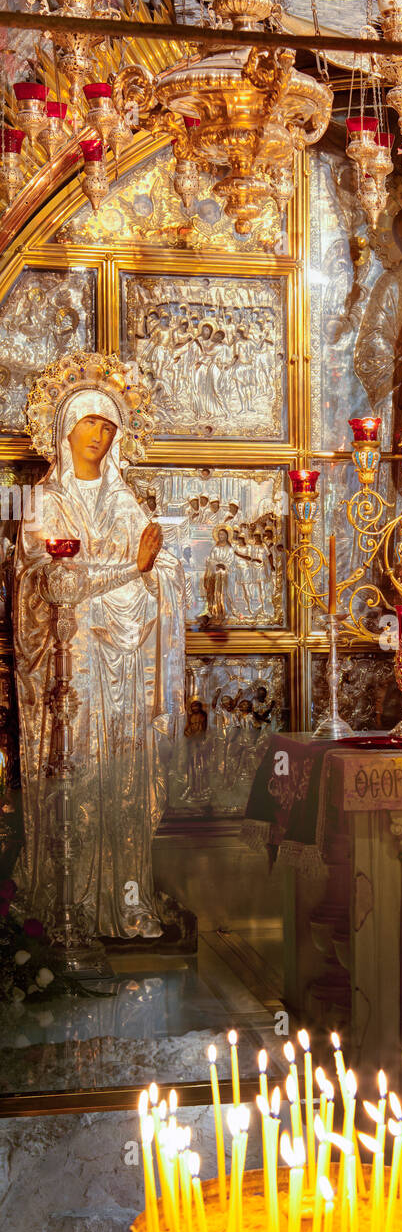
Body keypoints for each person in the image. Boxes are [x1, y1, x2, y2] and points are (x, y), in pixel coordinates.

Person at [14, 372, 186, 938]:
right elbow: (53, 586)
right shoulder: (45, 501)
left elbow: (162, 569)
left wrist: (140, 576)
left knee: (122, 778)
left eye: (109, 424)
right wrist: (128, 572)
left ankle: (124, 902)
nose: (100, 433)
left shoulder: (124, 502)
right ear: (65, 429)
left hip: (125, 670)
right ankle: (67, 906)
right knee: (76, 775)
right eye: (90, 421)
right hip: (72, 672)